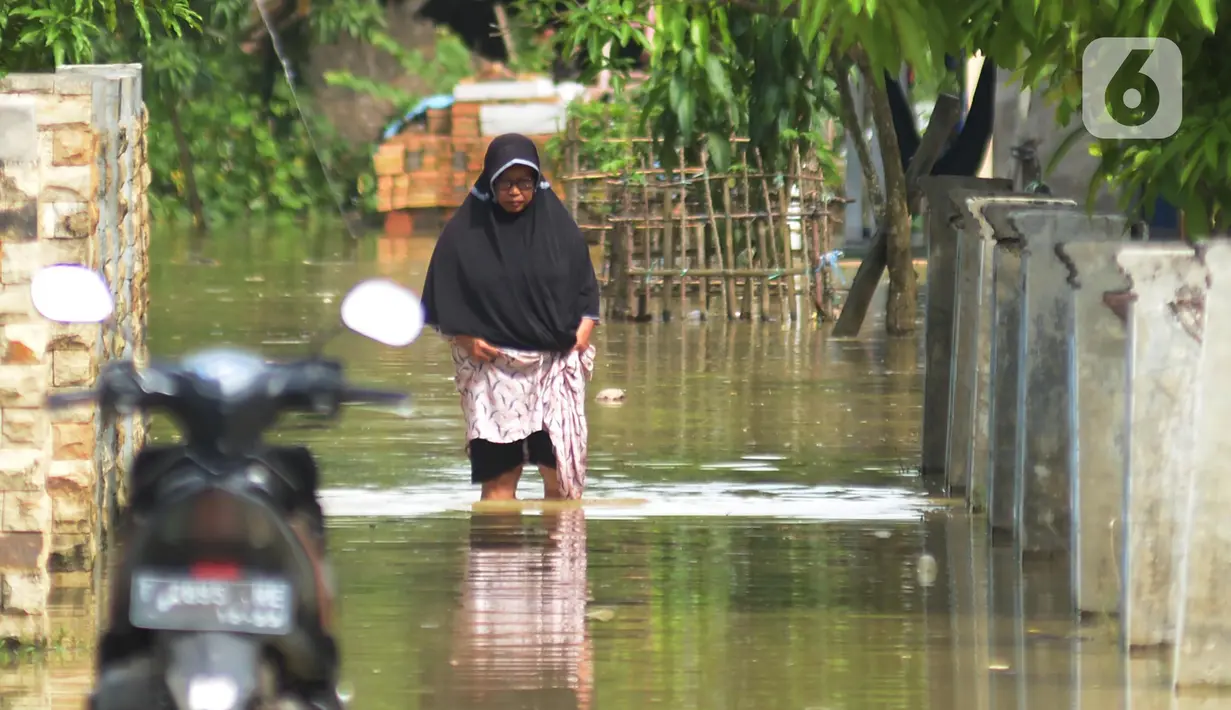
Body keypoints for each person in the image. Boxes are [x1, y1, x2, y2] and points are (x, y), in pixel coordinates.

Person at [422, 134, 601, 501]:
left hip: (553, 369)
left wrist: (585, 328)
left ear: (537, 183)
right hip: (492, 374)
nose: (515, 192)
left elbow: (586, 288)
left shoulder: (559, 231)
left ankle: (559, 557)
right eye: (506, 182)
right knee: (498, 488)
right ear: (491, 182)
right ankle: (498, 554)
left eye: (524, 182)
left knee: (562, 486)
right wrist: (465, 338)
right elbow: (442, 296)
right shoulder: (463, 234)